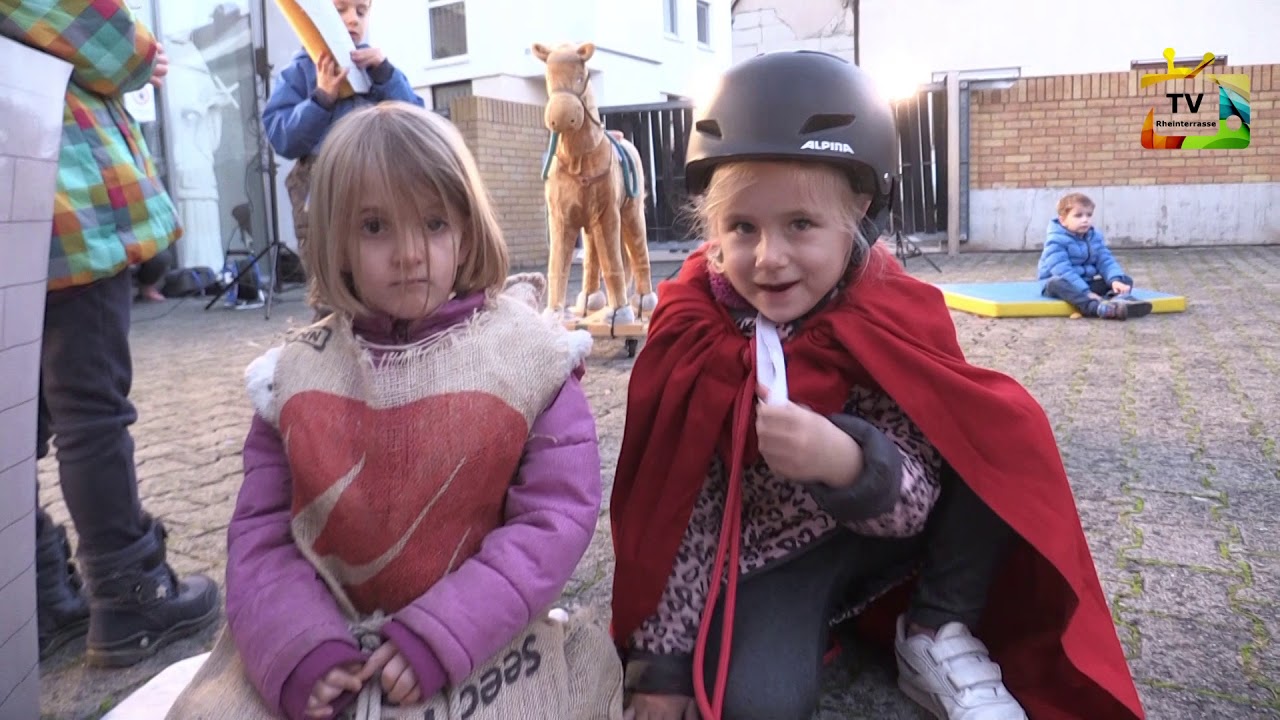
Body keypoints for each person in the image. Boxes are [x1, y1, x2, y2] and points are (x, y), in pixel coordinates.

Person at [609, 51, 1146, 720]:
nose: (769, 256)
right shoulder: (693, 332)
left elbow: (921, 493)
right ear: (711, 226)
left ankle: (934, 631)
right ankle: (813, 628)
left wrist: (847, 458)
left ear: (860, 210)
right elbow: (673, 508)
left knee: (1000, 432)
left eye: (800, 224)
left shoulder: (886, 310)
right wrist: (661, 670)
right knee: (760, 705)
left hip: (893, 534)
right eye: (742, 227)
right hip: (771, 562)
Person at [216, 102, 602, 720]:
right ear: (336, 242)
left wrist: (445, 630)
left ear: (468, 231)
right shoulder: (292, 378)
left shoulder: (532, 360)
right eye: (375, 227)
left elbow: (553, 520)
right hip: (328, 647)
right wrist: (294, 647)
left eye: (433, 223)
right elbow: (261, 538)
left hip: (486, 641)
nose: (409, 253)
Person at [1, 0, 220, 665]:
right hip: (52, 197)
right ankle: (130, 595)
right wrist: (137, 46)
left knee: (15, 417)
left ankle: (36, 593)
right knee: (89, 408)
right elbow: (110, 42)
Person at [262, 0, 425, 287]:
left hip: (378, 179)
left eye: (361, 12)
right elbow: (282, 137)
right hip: (319, 184)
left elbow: (418, 123)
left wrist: (386, 77)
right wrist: (321, 98)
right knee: (328, 270)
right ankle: (333, 323)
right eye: (340, 11)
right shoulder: (299, 71)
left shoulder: (378, 69)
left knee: (380, 262)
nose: (353, 20)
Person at [1037, 192, 1152, 320]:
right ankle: (1095, 308)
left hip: (1086, 282)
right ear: (1063, 220)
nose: (1085, 219)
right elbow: (1063, 271)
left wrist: (1115, 280)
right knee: (1055, 283)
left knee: (1124, 280)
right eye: (1078, 215)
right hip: (1062, 285)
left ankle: (1116, 302)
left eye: (1088, 215)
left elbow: (1105, 260)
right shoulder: (1055, 241)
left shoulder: (1094, 237)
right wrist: (1087, 293)